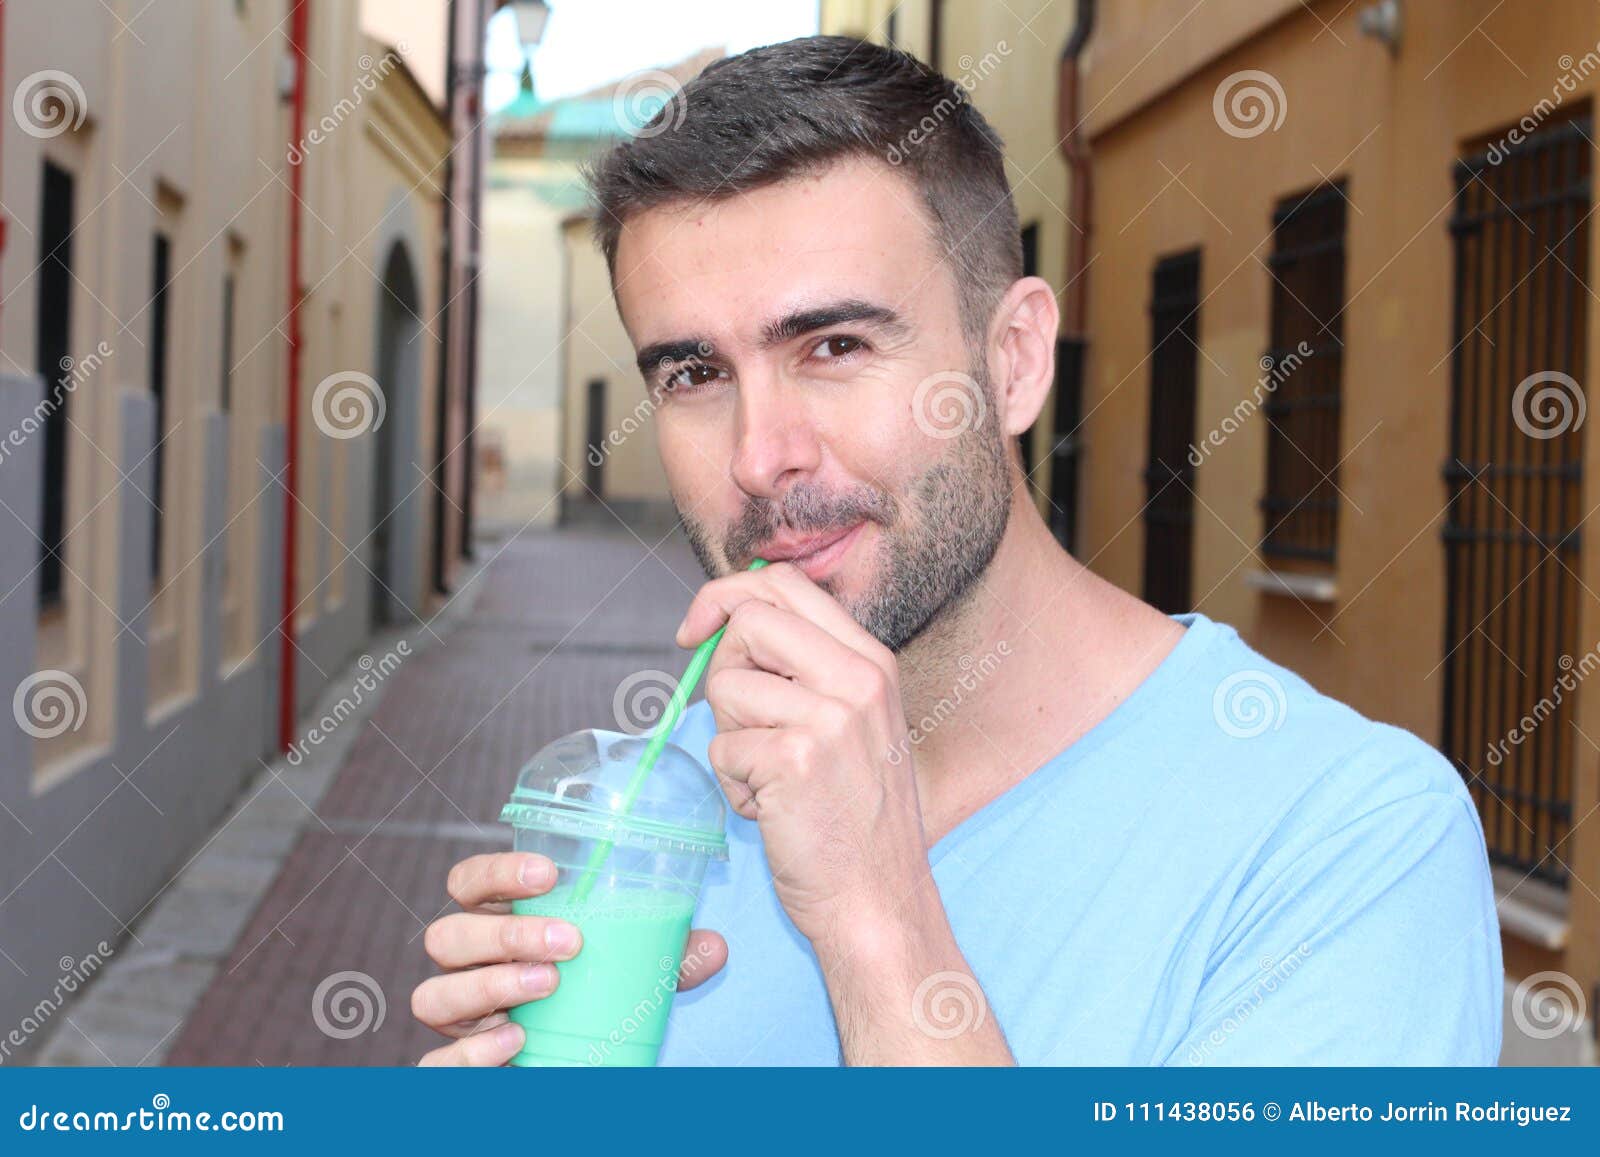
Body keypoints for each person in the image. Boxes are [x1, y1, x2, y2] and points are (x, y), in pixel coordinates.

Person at [410, 35, 1501, 1066]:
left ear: (1015, 361)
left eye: (834, 346)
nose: (761, 456)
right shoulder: (669, 805)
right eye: (695, 375)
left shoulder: (1348, 839)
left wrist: (875, 918)